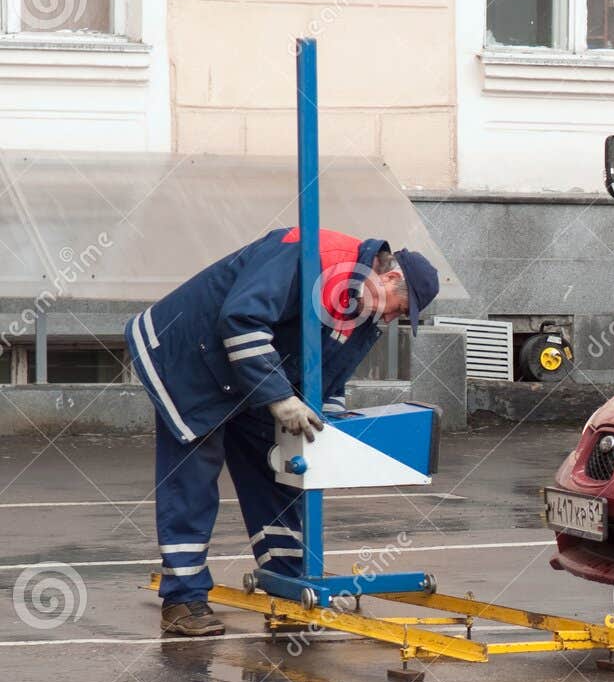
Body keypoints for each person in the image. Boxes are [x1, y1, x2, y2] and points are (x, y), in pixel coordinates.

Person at [125, 228, 440, 637]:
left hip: (248, 377)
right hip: (188, 359)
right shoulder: (312, 253)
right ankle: (183, 599)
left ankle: (289, 584)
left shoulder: (364, 305)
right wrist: (280, 399)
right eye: (399, 309)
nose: (391, 318)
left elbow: (330, 376)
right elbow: (241, 320)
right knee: (192, 478)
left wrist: (330, 427)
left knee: (280, 470)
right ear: (390, 278)